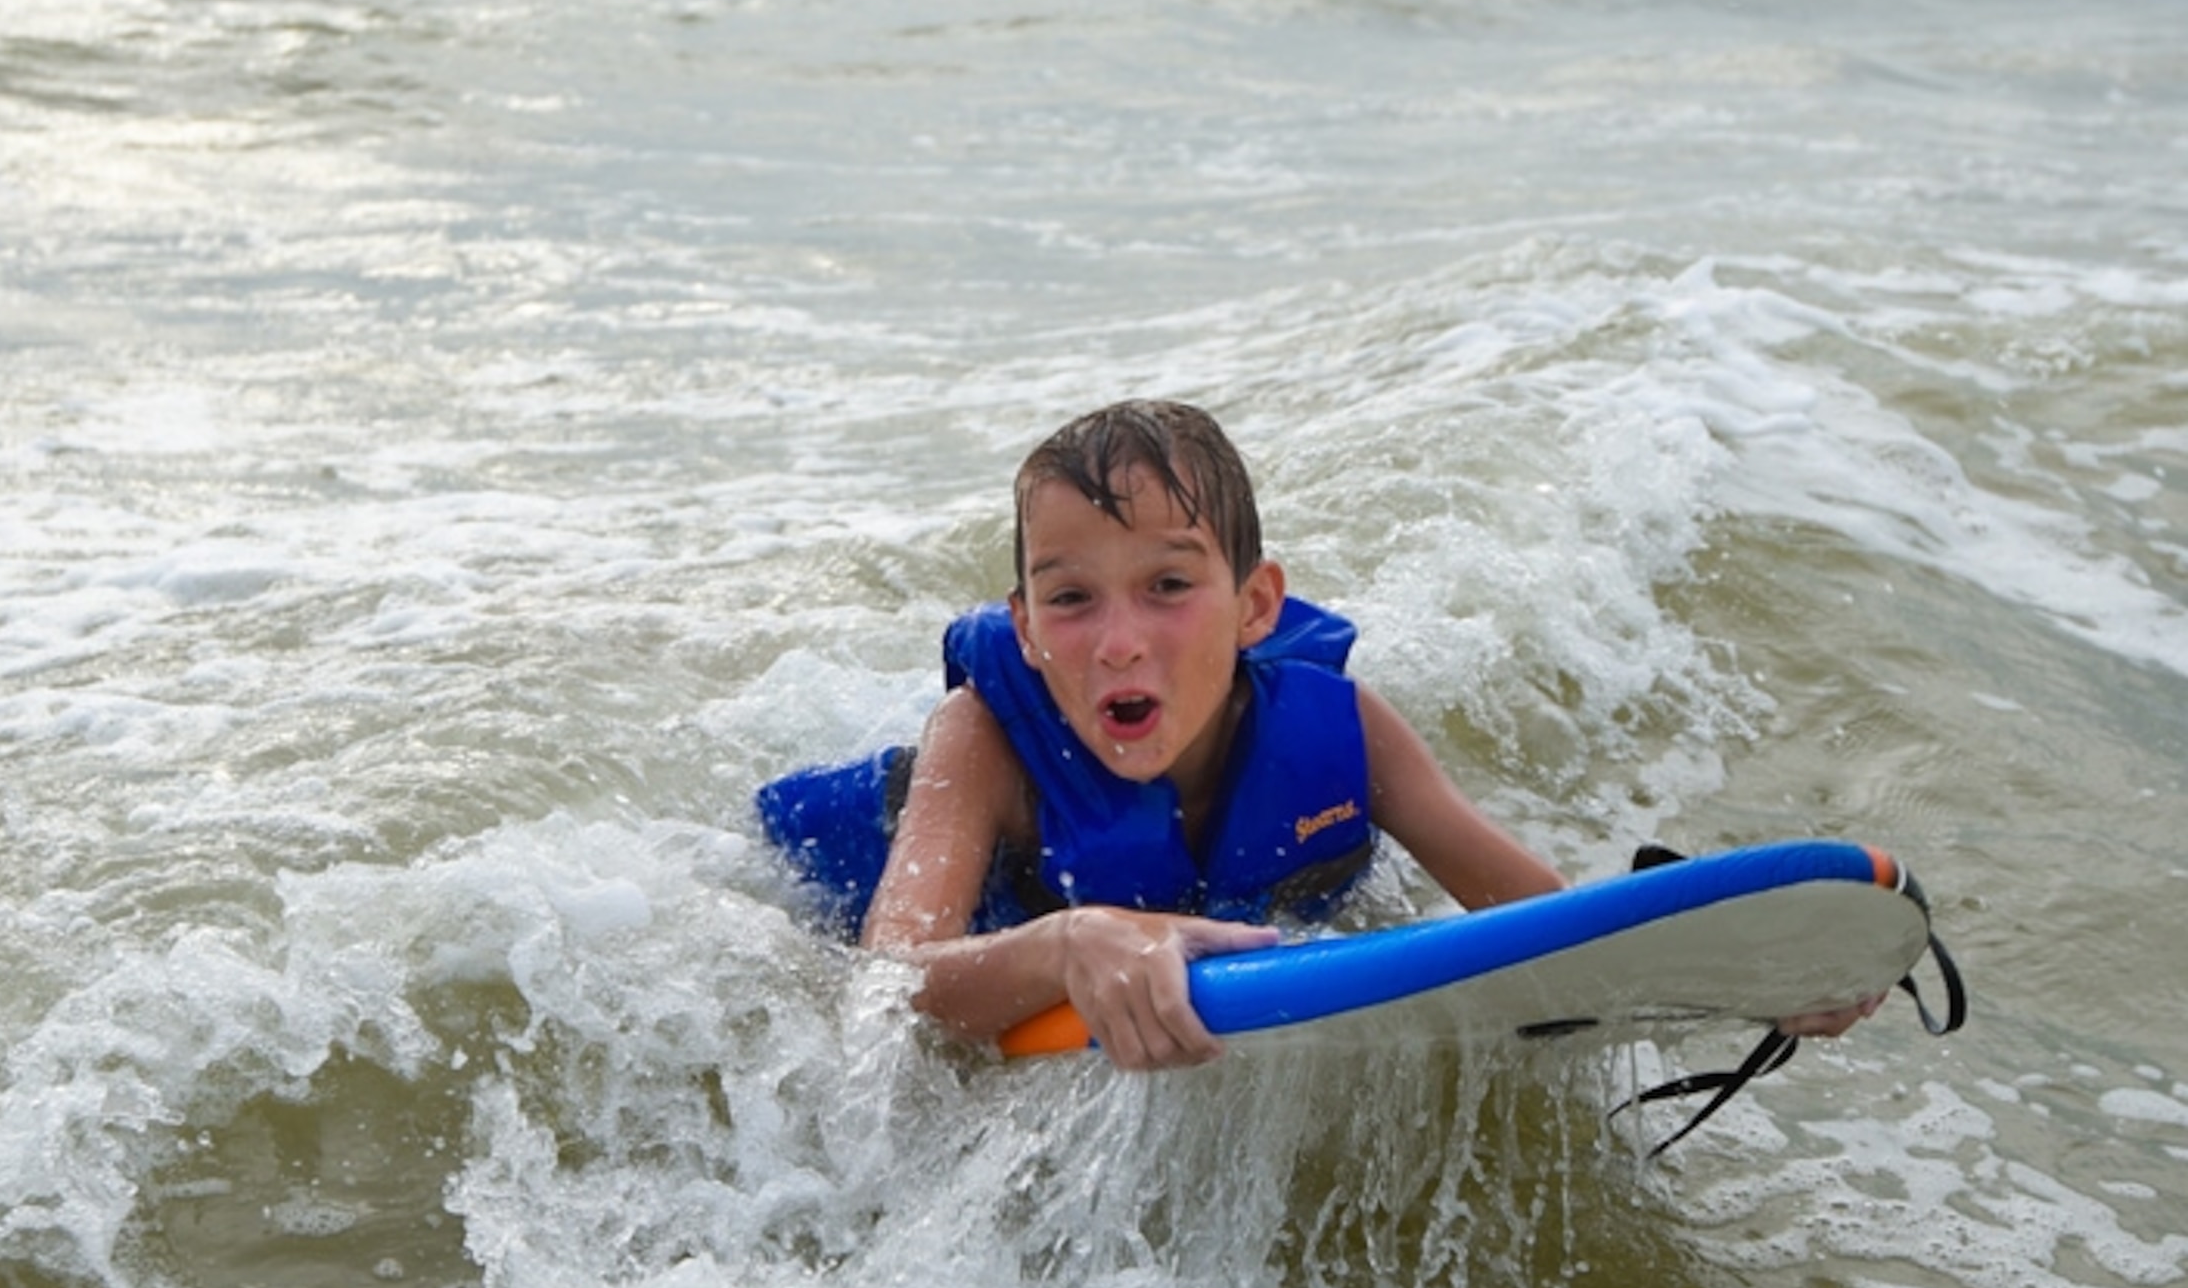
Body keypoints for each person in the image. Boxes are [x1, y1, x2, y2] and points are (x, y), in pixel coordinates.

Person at [757, 399, 1876, 1071]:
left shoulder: (1343, 736)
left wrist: (1746, 980)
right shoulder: (983, 737)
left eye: (1166, 585)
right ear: (1026, 631)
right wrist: (1067, 943)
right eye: (1071, 599)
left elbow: (1545, 927)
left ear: (1254, 607)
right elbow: (889, 981)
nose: (1119, 642)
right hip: (826, 872)